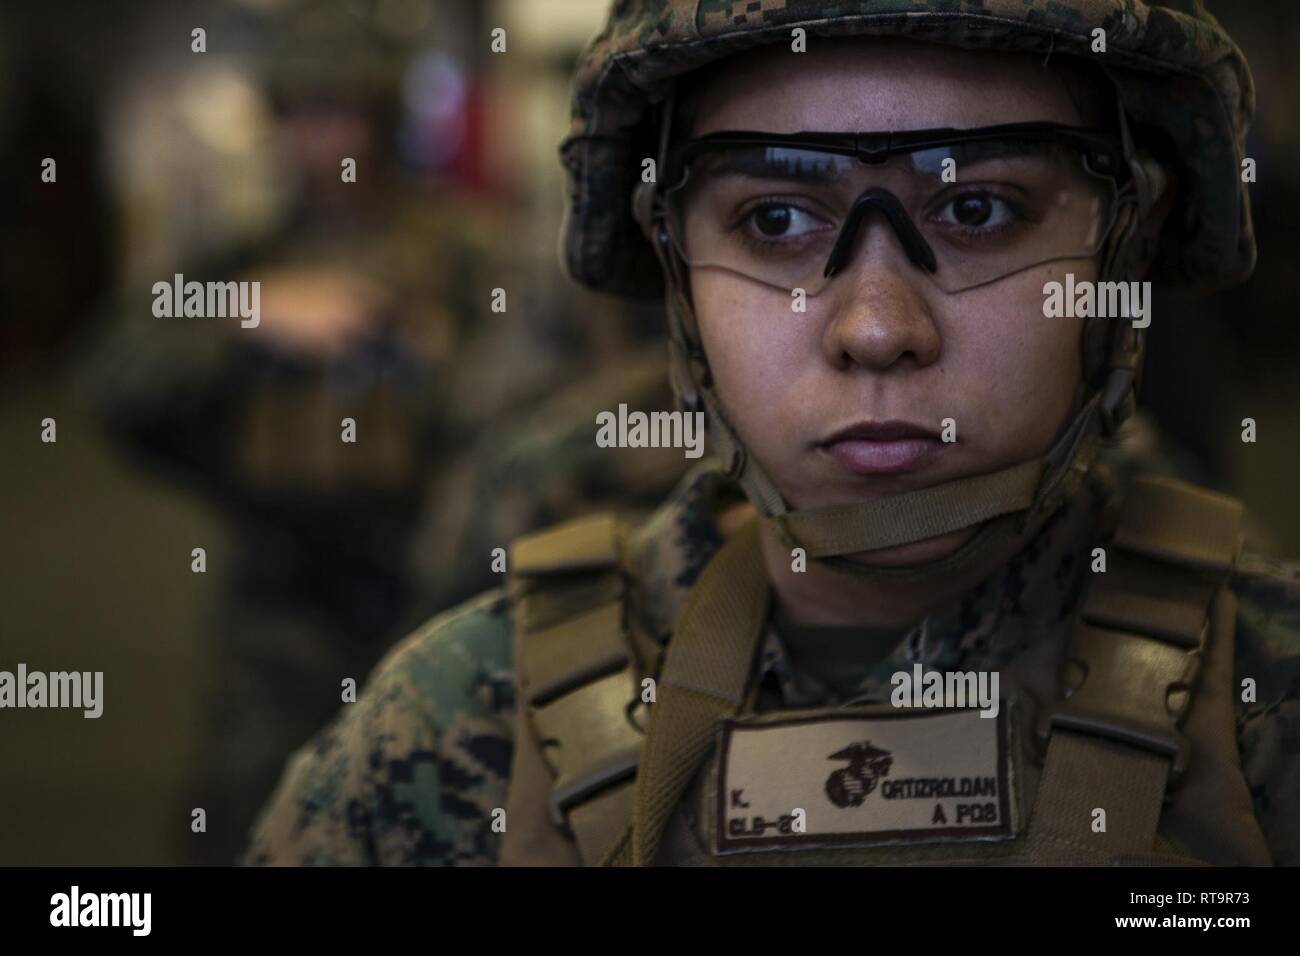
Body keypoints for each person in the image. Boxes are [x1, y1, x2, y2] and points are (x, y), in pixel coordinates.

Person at [245, 0, 1300, 866]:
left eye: (978, 210)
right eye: (775, 221)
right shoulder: (452, 720)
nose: (876, 327)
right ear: (676, 276)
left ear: (1123, 253)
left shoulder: (1268, 703)